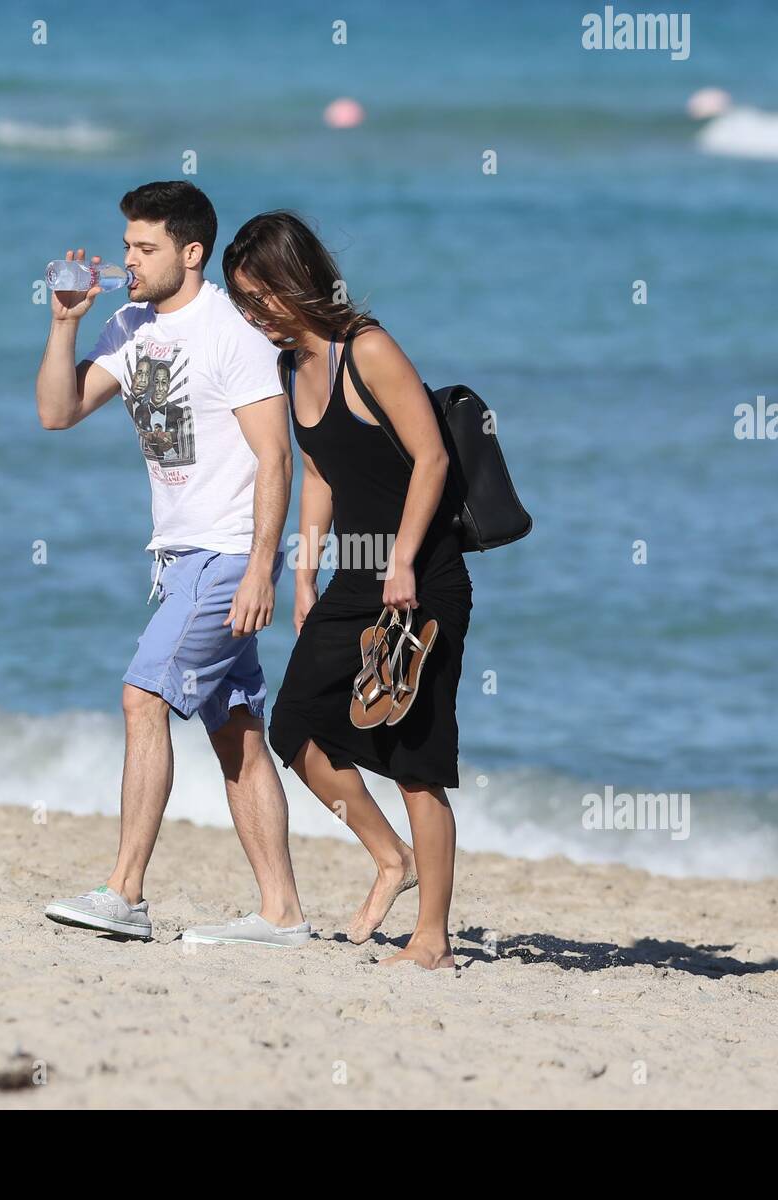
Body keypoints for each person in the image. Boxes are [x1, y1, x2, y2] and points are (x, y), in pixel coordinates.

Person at [35, 181, 311, 949]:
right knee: (237, 734)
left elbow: (274, 457)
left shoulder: (234, 332)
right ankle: (283, 912)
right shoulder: (127, 326)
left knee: (141, 697)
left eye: (145, 248)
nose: (129, 262)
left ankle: (125, 894)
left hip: (225, 554)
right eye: (126, 246)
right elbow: (57, 411)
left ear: (191, 253)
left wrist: (263, 567)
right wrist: (65, 325)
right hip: (179, 555)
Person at [223, 211, 472, 970]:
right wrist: (303, 570)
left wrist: (401, 560)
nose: (253, 313)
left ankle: (431, 938)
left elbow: (430, 459)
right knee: (296, 727)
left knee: (414, 758)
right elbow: (323, 470)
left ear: (295, 280)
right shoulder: (288, 368)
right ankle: (389, 857)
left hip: (421, 579)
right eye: (241, 300)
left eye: (259, 295)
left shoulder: (369, 348)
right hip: (352, 580)